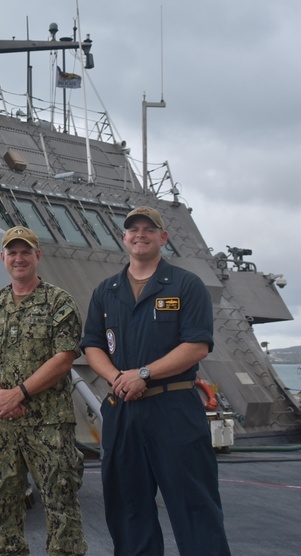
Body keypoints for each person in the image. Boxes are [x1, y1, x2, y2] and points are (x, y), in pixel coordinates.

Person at [82, 206, 231, 555]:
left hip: (173, 409)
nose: (140, 234)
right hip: (123, 412)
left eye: (149, 229)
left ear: (163, 238)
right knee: (128, 508)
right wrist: (118, 377)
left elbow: (196, 346)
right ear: (124, 238)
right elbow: (92, 345)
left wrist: (144, 374)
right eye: (133, 229)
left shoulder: (185, 285)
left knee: (195, 505)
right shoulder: (107, 290)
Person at [0, 226, 87, 556]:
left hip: (47, 421)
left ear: (37, 256)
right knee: (2, 503)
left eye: (25, 252)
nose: (18, 258)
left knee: (60, 500)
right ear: (3, 258)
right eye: (12, 252)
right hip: (1, 422)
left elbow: (64, 358)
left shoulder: (59, 303)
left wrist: (18, 393)